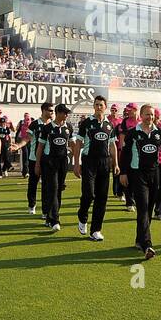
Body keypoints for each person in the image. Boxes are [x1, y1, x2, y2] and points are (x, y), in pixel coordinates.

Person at [118, 104, 161, 260]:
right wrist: (123, 172)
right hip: (137, 174)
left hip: (154, 174)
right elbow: (124, 154)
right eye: (146, 114)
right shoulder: (133, 133)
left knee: (149, 209)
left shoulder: (159, 132)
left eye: (151, 115)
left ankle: (139, 240)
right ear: (141, 116)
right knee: (143, 208)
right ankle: (147, 245)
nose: (149, 117)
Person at [73, 95, 118, 241]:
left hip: (105, 163)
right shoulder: (86, 123)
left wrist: (116, 163)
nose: (99, 107)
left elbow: (112, 145)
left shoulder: (110, 125)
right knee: (88, 194)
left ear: (105, 107)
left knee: (102, 197)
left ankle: (96, 230)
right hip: (89, 161)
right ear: (94, 106)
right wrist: (76, 164)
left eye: (101, 105)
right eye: (96, 105)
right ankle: (83, 216)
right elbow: (78, 144)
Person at [33, 104, 76, 232]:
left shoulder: (68, 127)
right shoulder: (47, 128)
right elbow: (40, 147)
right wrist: (37, 164)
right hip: (49, 162)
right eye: (64, 113)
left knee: (59, 190)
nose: (66, 115)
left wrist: (76, 157)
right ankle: (55, 220)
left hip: (63, 162)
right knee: (53, 188)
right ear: (57, 113)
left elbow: (72, 144)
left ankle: (49, 216)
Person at [25, 102, 53, 216]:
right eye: (50, 110)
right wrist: (17, 145)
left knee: (47, 185)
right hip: (34, 158)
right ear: (43, 111)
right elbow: (27, 138)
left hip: (48, 159)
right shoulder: (34, 124)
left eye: (52, 111)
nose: (52, 113)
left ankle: (45, 210)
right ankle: (32, 205)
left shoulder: (54, 125)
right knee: (33, 183)